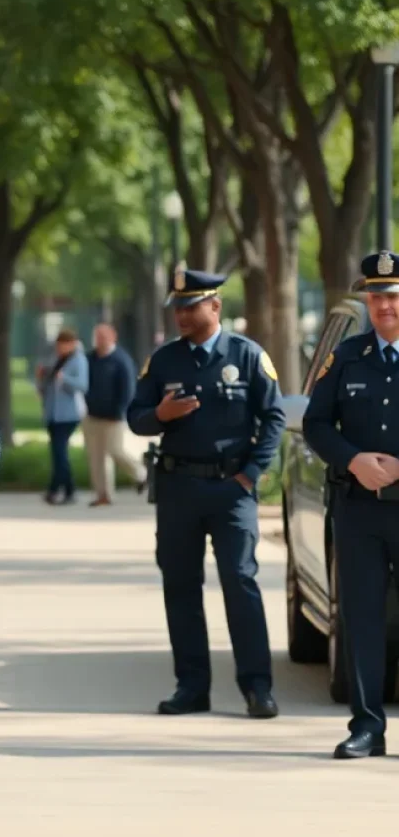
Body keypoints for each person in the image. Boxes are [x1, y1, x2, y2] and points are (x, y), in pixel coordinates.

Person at [127, 267, 284, 719]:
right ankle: (191, 687)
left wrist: (252, 473)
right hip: (179, 488)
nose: (181, 314)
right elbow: (136, 417)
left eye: (190, 306)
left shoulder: (248, 355)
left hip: (232, 489)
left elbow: (273, 417)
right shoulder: (163, 361)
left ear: (215, 306)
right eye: (176, 306)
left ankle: (257, 687)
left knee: (240, 582)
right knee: (180, 586)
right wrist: (161, 412)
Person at [303, 250, 399, 759]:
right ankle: (367, 726)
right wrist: (353, 459)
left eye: (393, 297)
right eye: (377, 296)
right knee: (360, 618)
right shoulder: (347, 357)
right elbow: (317, 423)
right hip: (358, 505)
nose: (385, 306)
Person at [82, 323, 147, 506]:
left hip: (114, 418)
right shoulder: (90, 358)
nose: (99, 340)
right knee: (96, 458)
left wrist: (119, 412)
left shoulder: (121, 360)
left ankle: (141, 473)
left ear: (113, 338)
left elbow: (128, 389)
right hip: (92, 415)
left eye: (103, 336)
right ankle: (103, 494)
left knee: (116, 450)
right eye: (97, 336)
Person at [36, 329, 89, 505]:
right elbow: (46, 388)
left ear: (72, 344)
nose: (60, 348)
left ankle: (66, 490)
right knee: (57, 453)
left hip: (69, 414)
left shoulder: (78, 360)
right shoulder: (56, 359)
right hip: (52, 413)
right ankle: (59, 489)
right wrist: (42, 378)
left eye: (63, 345)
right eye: (58, 345)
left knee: (60, 452)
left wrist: (64, 378)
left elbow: (82, 385)